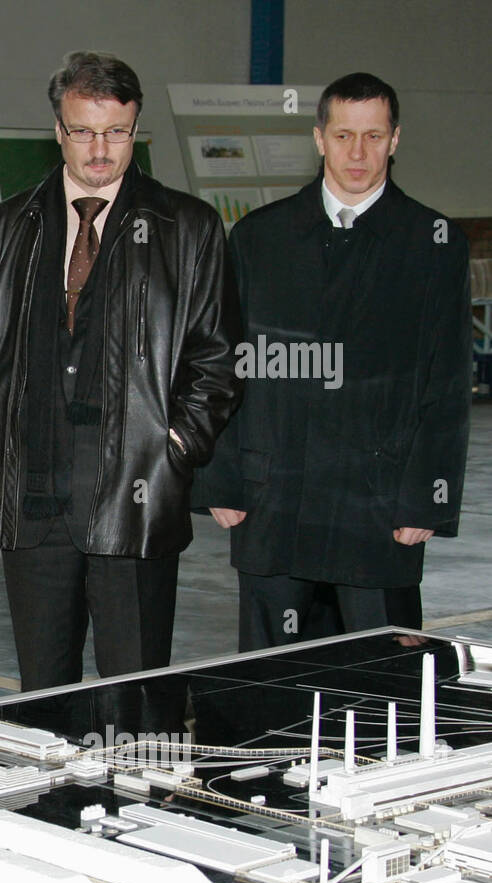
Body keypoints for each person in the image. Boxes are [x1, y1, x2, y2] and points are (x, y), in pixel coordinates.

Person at [0, 51, 241, 692]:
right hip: (32, 503)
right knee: (43, 697)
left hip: (134, 497)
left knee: (137, 698)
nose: (100, 149)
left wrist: (173, 447)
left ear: (136, 128)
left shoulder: (189, 227)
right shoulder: (6, 227)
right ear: (57, 129)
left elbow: (218, 359)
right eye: (83, 130)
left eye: (116, 131)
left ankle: (140, 794)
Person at [193, 72, 470, 649]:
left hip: (378, 503)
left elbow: (446, 382)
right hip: (274, 499)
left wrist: (428, 497)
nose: (358, 152)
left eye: (374, 136)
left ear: (395, 140)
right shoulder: (258, 237)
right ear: (319, 138)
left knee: (379, 680)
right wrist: (221, 477)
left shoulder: (432, 241)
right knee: (269, 679)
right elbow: (224, 363)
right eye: (344, 135)